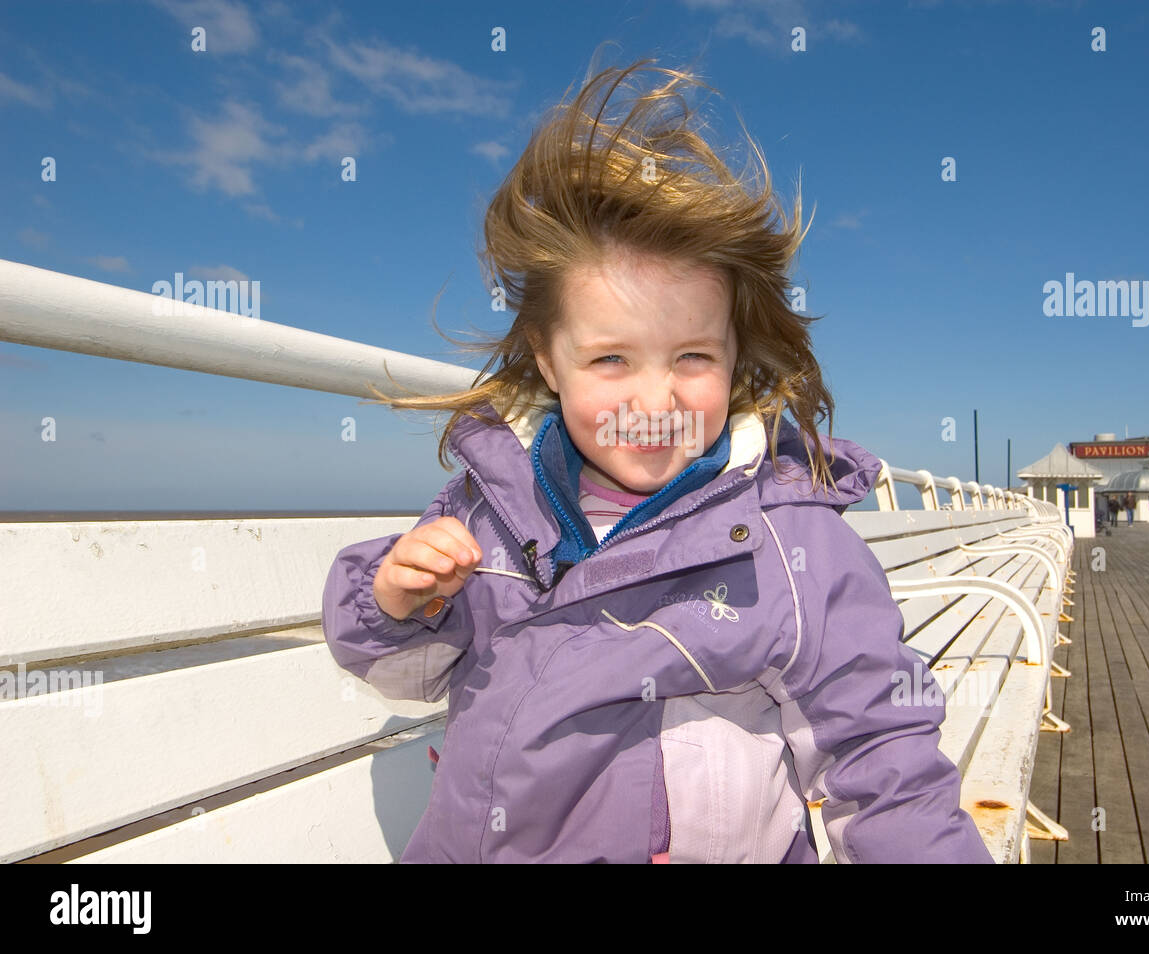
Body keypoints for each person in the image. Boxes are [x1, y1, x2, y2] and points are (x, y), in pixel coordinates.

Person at [321, 57, 992, 864]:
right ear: (547, 357)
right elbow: (410, 675)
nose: (655, 401)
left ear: (737, 356)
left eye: (692, 358)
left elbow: (883, 760)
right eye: (610, 360)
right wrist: (398, 602)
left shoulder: (793, 546)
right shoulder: (484, 513)